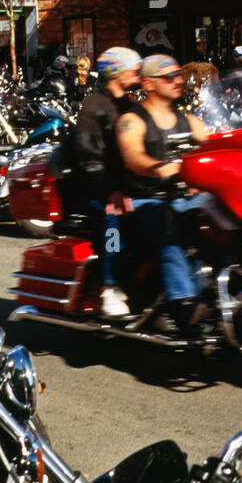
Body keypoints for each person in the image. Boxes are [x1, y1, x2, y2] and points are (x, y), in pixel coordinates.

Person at [116, 54, 209, 334]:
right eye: (170, 76)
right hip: (147, 200)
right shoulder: (132, 119)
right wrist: (158, 167)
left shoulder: (189, 119)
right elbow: (132, 154)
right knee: (169, 222)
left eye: (180, 75)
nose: (179, 81)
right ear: (149, 83)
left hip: (185, 197)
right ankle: (183, 303)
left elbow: (216, 143)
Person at [73, 47, 142, 317]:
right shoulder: (93, 105)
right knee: (111, 220)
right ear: (117, 72)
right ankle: (111, 285)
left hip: (128, 185)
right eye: (132, 68)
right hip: (95, 188)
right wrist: (110, 192)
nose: (137, 72)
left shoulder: (131, 105)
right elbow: (87, 157)